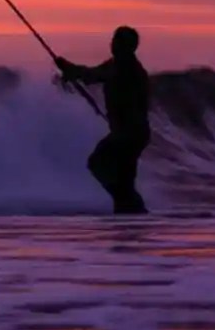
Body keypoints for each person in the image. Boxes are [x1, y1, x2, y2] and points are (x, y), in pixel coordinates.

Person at [56, 26, 151, 214]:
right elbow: (92, 75)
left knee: (97, 163)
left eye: (116, 41)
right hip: (129, 132)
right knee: (123, 179)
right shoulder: (116, 64)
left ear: (127, 46)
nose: (112, 44)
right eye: (113, 40)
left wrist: (69, 68)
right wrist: (70, 70)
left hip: (130, 133)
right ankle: (131, 216)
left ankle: (131, 207)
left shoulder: (129, 69)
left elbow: (94, 76)